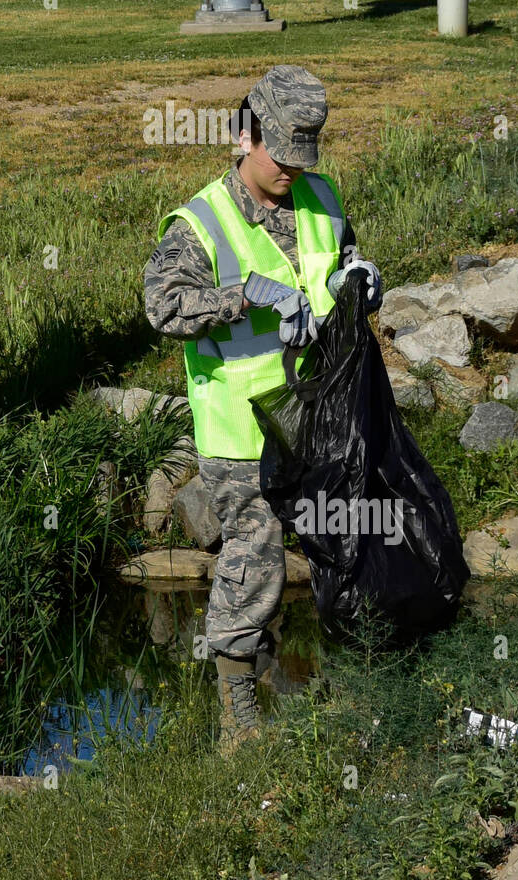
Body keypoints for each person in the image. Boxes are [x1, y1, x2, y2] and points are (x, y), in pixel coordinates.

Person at [144, 65, 382, 750]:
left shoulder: (320, 196)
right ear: (241, 135)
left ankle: (324, 684)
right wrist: (244, 296)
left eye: (303, 157)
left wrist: (357, 279)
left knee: (344, 542)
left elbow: (340, 255)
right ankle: (237, 719)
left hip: (317, 419)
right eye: (280, 156)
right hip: (240, 429)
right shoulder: (200, 223)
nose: (291, 171)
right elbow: (162, 306)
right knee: (253, 562)